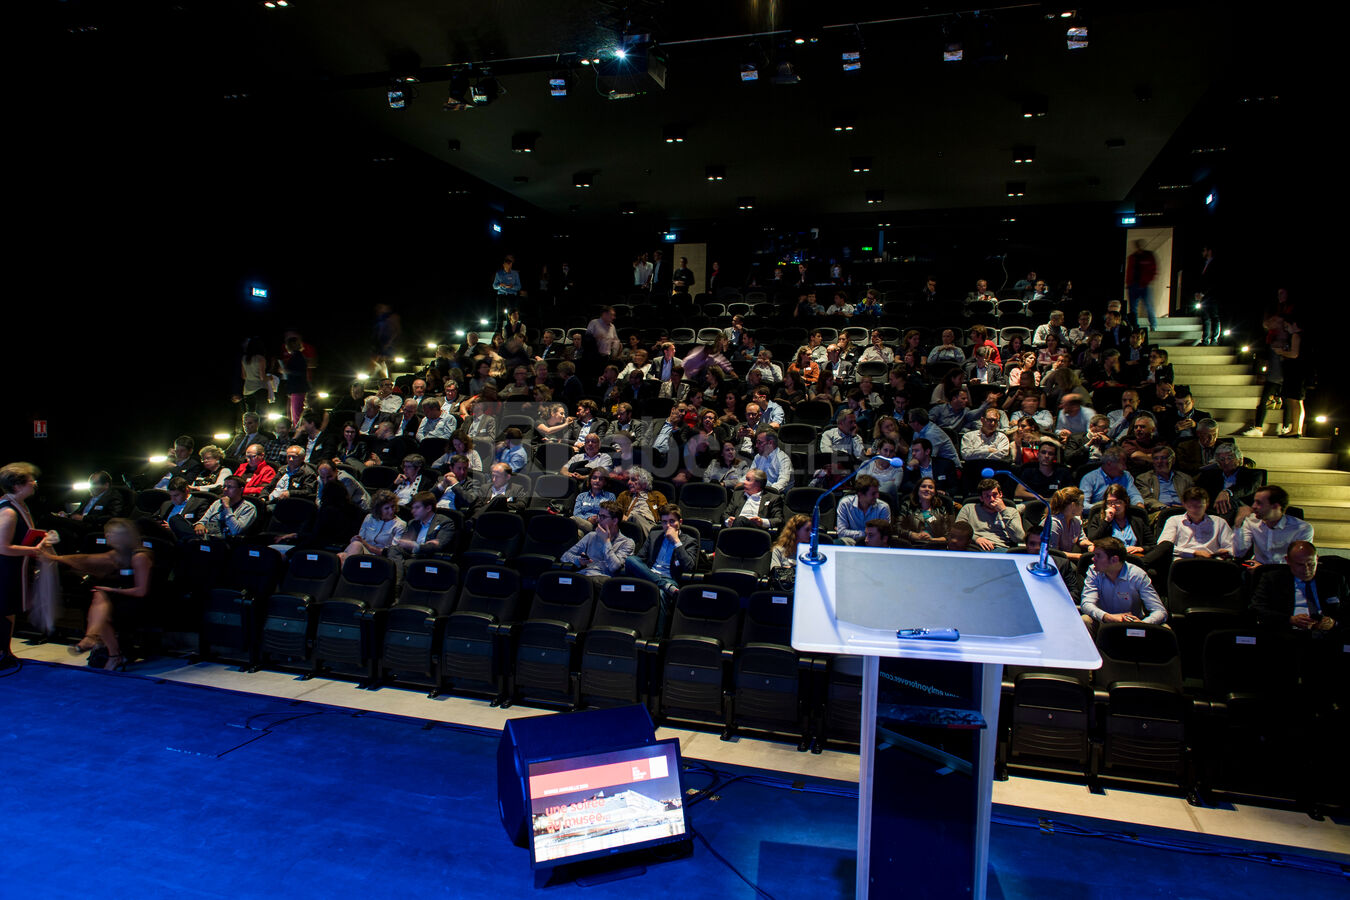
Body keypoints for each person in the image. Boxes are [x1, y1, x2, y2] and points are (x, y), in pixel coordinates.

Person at [45, 518, 153, 670]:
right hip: (119, 598)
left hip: (140, 601)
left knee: (101, 601)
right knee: (99, 596)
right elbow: (87, 559)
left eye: (112, 533)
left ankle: (99, 644)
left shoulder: (140, 556)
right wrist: (54, 557)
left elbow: (141, 591)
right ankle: (106, 649)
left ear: (123, 536)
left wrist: (113, 590)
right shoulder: (116, 554)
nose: (107, 535)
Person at [0, 463, 53, 669]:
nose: (34, 483)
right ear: (17, 485)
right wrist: (34, 550)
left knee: (8, 609)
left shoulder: (17, 505)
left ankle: (5, 651)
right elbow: (2, 547)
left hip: (13, 566)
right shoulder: (9, 512)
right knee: (3, 609)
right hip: (5, 567)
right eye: (31, 480)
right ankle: (2, 653)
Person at [625, 504, 701, 627]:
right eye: (664, 522)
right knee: (630, 560)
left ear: (680, 522)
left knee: (659, 593)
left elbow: (689, 567)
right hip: (650, 576)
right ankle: (664, 586)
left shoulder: (689, 541)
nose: (668, 526)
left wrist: (677, 542)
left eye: (672, 521)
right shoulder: (654, 535)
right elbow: (640, 558)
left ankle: (658, 637)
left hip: (670, 579)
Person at [1079, 537, 1167, 636]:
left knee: (1166, 629)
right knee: (1085, 620)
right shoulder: (1094, 571)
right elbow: (1086, 604)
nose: (1093, 559)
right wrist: (1108, 617)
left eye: (1098, 556)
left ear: (1114, 559)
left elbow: (1160, 611)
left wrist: (1143, 624)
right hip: (1104, 623)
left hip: (1133, 627)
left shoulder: (1137, 575)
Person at [1249, 541, 1342, 633]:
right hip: (1286, 633)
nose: (1306, 569)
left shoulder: (1334, 580)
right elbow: (1257, 607)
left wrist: (1334, 622)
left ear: (1317, 559)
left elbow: (1347, 609)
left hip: (1325, 635)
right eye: (1300, 565)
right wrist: (1290, 619)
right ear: (1288, 560)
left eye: (1311, 564)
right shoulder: (1272, 579)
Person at [1084, 484, 1172, 573]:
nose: (1113, 506)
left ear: (1125, 502)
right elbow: (1093, 539)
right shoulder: (1099, 519)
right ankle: (1139, 566)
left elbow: (1152, 545)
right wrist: (1107, 521)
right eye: (1109, 502)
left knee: (1167, 545)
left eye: (1117, 502)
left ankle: (1140, 564)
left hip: (1136, 557)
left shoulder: (1137, 520)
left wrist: (1141, 549)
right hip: (1113, 559)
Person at [1233, 484, 1314, 565]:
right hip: (1256, 570)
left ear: (1275, 506)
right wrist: (1238, 524)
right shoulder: (1251, 521)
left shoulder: (1302, 529)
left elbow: (1299, 564)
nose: (1253, 506)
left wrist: (1263, 568)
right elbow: (1238, 553)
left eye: (1259, 503)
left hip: (1284, 572)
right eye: (1254, 502)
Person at [561, 501, 633, 582]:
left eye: (603, 517)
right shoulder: (591, 536)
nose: (598, 520)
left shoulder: (627, 543)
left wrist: (606, 541)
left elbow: (614, 567)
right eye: (599, 515)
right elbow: (565, 556)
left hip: (603, 579)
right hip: (583, 576)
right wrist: (578, 560)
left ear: (615, 521)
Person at [1158, 487, 1234, 559]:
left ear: (1207, 504)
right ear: (1184, 504)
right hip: (1183, 560)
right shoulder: (1174, 520)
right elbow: (1163, 546)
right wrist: (1193, 553)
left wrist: (1227, 551)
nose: (1195, 510)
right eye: (1191, 506)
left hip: (1212, 560)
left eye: (1200, 506)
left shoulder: (1219, 522)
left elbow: (1231, 546)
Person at [956, 478, 1026, 551]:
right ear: (981, 498)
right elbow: (958, 531)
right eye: (987, 496)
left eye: (995, 495)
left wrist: (1003, 511)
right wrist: (976, 538)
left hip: (1000, 548)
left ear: (1001, 494)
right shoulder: (968, 508)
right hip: (974, 547)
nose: (992, 499)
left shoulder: (1011, 512)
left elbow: (1019, 538)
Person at [339, 490, 406, 563]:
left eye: (393, 506)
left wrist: (366, 545)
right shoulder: (369, 517)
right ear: (378, 510)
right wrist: (355, 539)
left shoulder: (400, 524)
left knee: (355, 546)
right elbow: (361, 538)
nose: (391, 511)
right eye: (387, 508)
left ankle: (348, 572)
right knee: (340, 556)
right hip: (363, 552)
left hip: (381, 558)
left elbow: (392, 552)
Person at [191, 476, 257, 540]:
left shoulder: (248, 508)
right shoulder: (217, 503)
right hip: (211, 539)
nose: (225, 489)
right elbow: (203, 520)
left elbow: (235, 531)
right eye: (224, 487)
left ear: (241, 489)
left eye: (230, 487)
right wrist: (199, 524)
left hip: (231, 544)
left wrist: (227, 508)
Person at [1079, 447, 1145, 506]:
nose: (1125, 468)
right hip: (1099, 515)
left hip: (1123, 515)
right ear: (1109, 463)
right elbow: (1082, 505)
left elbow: (1134, 494)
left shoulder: (1126, 475)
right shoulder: (1089, 478)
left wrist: (1139, 504)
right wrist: (1104, 508)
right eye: (1122, 464)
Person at [1046, 486, 1093, 561]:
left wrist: (1090, 545)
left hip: (1066, 560)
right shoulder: (1053, 523)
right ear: (1073, 505)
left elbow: (1081, 539)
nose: (1083, 507)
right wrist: (1080, 557)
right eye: (1081, 504)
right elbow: (1053, 552)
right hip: (1053, 561)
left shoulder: (1076, 521)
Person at [1124, 239, 1159, 331]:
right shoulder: (1133, 257)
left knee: (1148, 305)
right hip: (1133, 285)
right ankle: (1134, 325)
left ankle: (1153, 324)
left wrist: (1147, 280)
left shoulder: (1148, 256)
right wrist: (1129, 283)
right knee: (1133, 308)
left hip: (1144, 284)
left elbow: (1153, 269)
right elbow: (1129, 271)